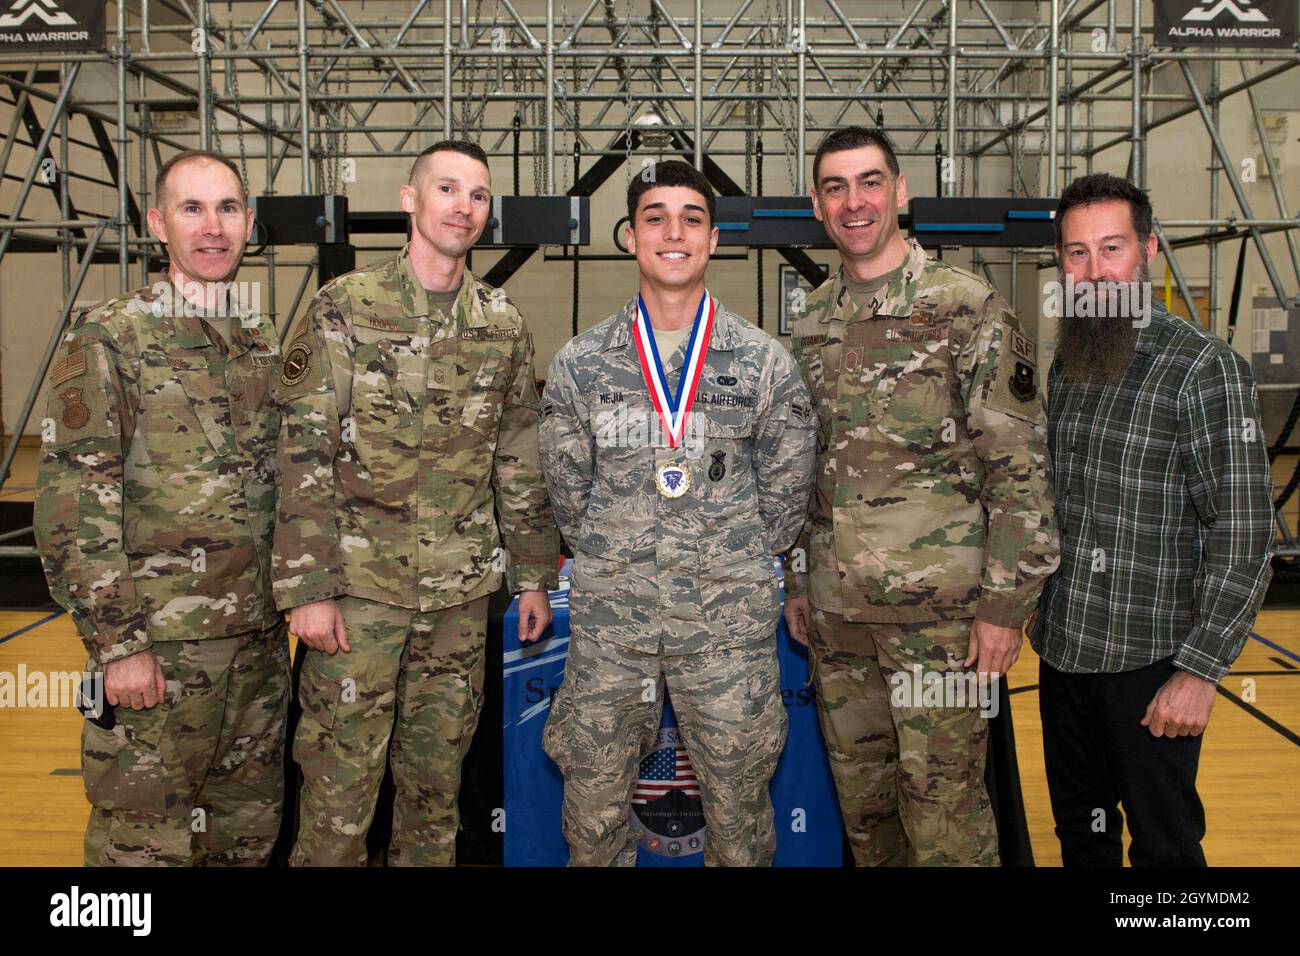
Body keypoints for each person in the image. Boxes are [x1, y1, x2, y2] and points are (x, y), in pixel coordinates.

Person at [273, 140, 559, 866]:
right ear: (410, 199)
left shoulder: (502, 324)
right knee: (339, 799)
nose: (463, 207)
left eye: (479, 195)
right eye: (447, 189)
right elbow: (303, 450)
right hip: (356, 601)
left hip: (458, 603)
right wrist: (308, 588)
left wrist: (531, 575)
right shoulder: (345, 308)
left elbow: (517, 456)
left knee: (434, 799)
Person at [782, 127, 1060, 866]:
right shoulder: (812, 320)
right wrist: (796, 579)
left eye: (870, 182)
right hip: (840, 619)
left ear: (900, 192)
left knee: (947, 816)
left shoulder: (965, 306)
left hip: (940, 624)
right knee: (868, 817)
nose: (854, 201)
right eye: (835, 187)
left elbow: (1020, 466)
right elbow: (806, 468)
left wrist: (1006, 607)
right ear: (818, 204)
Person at [538, 160, 816, 866]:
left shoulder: (761, 363)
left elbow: (784, 503)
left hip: (725, 632)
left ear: (713, 239)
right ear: (630, 236)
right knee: (594, 819)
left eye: (692, 218)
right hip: (612, 632)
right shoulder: (582, 364)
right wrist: (624, 550)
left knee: (738, 818)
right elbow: (569, 496)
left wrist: (721, 560)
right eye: (655, 217)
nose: (674, 232)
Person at [35, 149, 289, 866]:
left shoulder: (257, 341)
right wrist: (119, 646)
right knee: (142, 846)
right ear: (157, 224)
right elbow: (72, 508)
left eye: (228, 209)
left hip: (257, 651)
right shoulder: (109, 337)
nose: (213, 228)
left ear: (248, 222)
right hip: (160, 653)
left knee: (244, 837)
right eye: (192, 209)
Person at [1033, 173, 1274, 867]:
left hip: (1151, 666)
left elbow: (1243, 535)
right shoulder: (1069, 363)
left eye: (1111, 248)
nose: (1094, 270)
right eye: (1076, 253)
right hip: (1065, 652)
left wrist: (1199, 672)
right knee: (1083, 838)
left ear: (1149, 250)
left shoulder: (1205, 370)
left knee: (1165, 848)